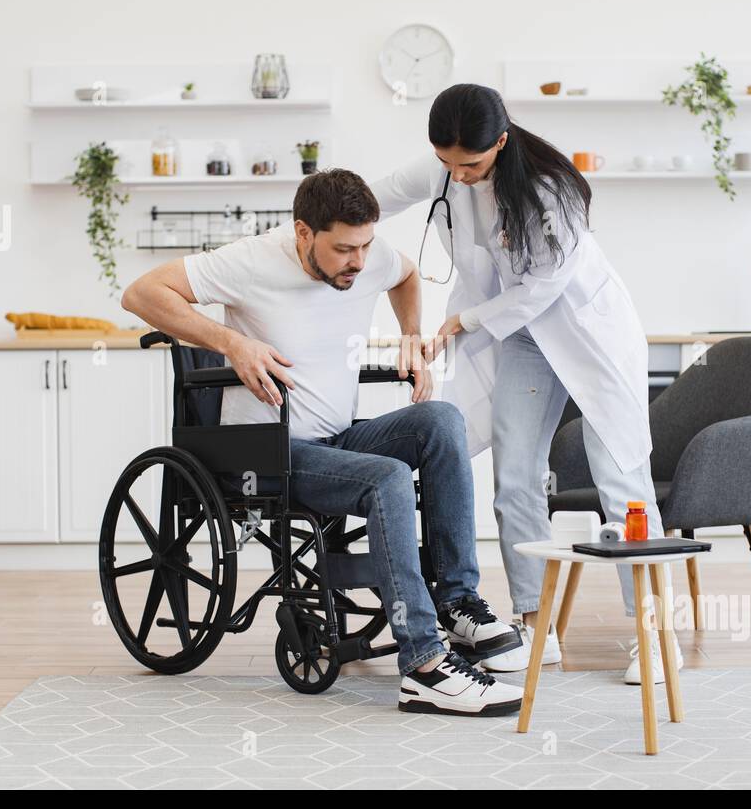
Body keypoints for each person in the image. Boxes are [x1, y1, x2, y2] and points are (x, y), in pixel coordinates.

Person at [121, 167, 524, 716]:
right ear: (303, 233)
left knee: (442, 420)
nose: (358, 262)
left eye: (365, 245)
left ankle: (457, 602)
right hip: (266, 453)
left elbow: (404, 276)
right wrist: (233, 343)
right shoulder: (251, 261)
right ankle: (425, 666)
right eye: (343, 250)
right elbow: (140, 293)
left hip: (336, 440)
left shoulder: (367, 257)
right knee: (384, 478)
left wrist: (410, 335)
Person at [369, 83, 681, 683]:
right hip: (522, 341)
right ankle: (537, 622)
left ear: (501, 143)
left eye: (472, 165)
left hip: (590, 334)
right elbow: (373, 199)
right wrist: (309, 227)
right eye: (447, 163)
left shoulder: (549, 189)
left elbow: (543, 287)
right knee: (514, 478)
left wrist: (462, 321)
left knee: (621, 481)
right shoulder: (444, 170)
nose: (457, 177)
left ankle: (651, 632)